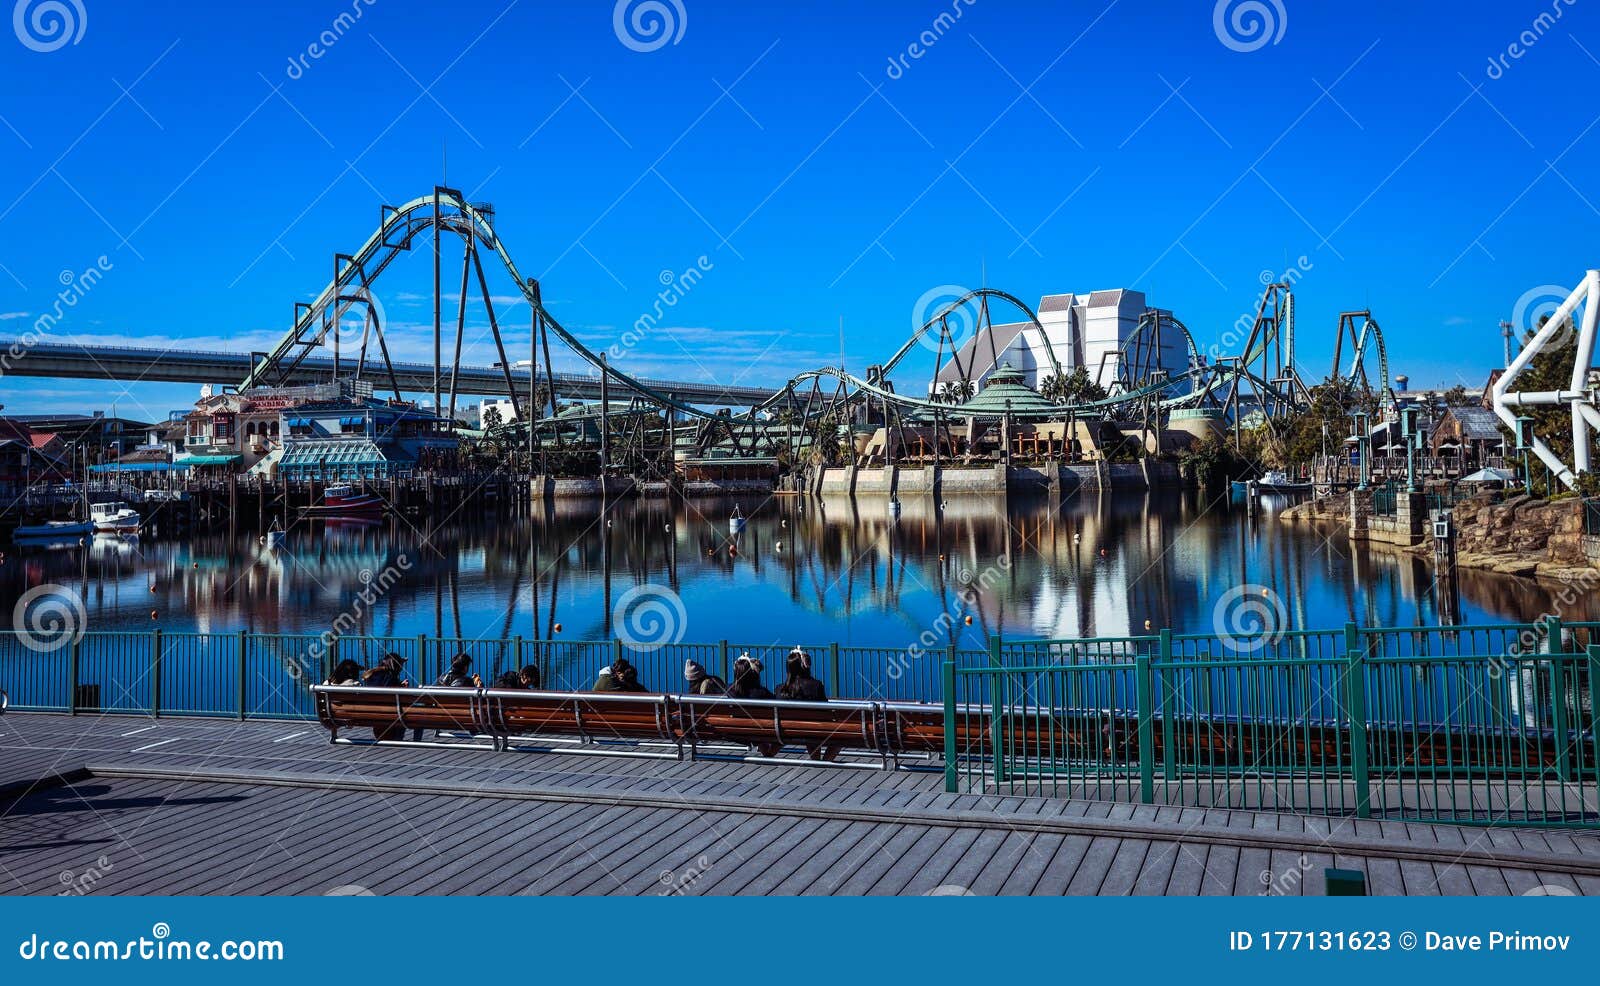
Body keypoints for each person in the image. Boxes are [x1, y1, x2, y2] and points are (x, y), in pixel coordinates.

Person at [775, 648, 838, 761]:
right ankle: (823, 761)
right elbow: (826, 712)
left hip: (785, 731)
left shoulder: (779, 689)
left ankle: (768, 754)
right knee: (839, 734)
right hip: (812, 731)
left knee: (809, 727)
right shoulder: (816, 686)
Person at [359, 654, 410, 741]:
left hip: (370, 713)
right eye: (401, 665)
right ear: (396, 666)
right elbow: (393, 695)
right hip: (389, 715)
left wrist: (399, 685)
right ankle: (402, 739)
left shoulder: (371, 675)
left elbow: (384, 688)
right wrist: (402, 688)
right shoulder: (391, 677)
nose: (402, 668)